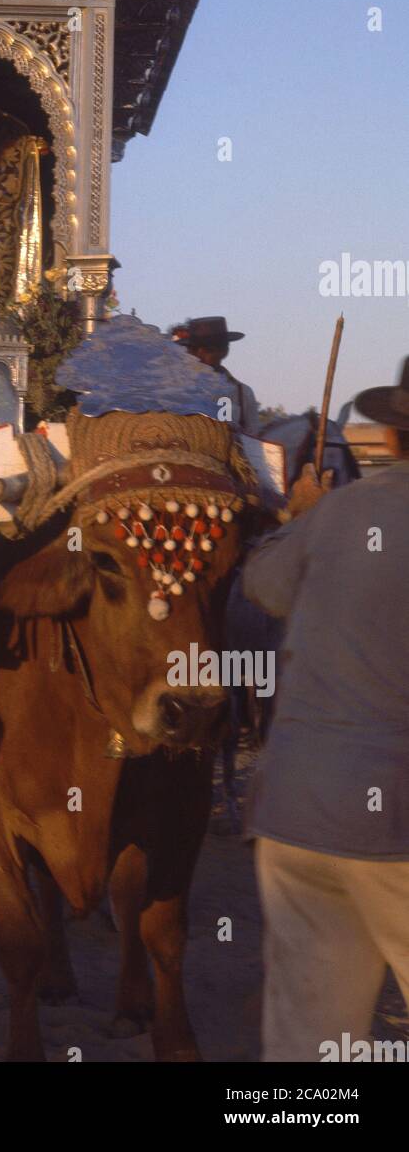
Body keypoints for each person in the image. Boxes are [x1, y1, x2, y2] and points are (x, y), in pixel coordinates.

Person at [242, 356, 409, 1061]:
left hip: (299, 806)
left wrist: (297, 518)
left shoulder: (342, 509)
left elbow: (265, 586)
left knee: (307, 1044)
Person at [172, 316, 261, 435]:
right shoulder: (173, 390)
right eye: (194, 349)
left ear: (223, 351)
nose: (199, 355)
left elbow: (253, 440)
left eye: (208, 349)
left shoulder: (243, 393)